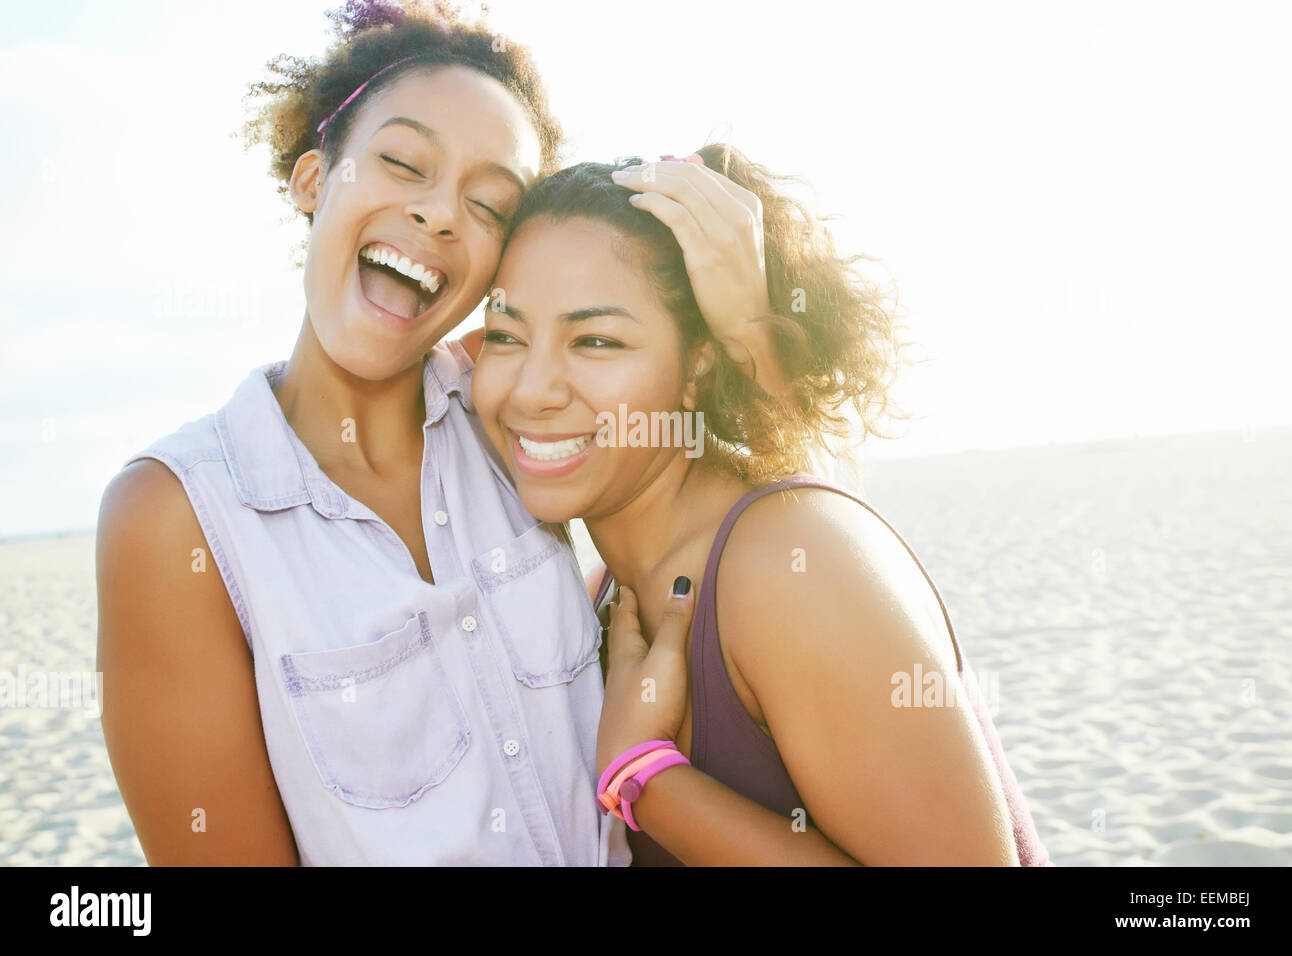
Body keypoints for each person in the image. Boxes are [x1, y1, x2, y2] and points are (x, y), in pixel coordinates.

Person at [94, 1, 786, 865]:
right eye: (401, 162)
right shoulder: (179, 517)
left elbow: (788, 543)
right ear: (314, 181)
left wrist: (748, 325)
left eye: (490, 203)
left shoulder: (517, 417)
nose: (439, 215)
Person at [470, 145, 1053, 865]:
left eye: (595, 340)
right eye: (505, 336)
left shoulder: (787, 565)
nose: (532, 390)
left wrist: (645, 778)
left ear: (697, 371)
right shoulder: (604, 600)